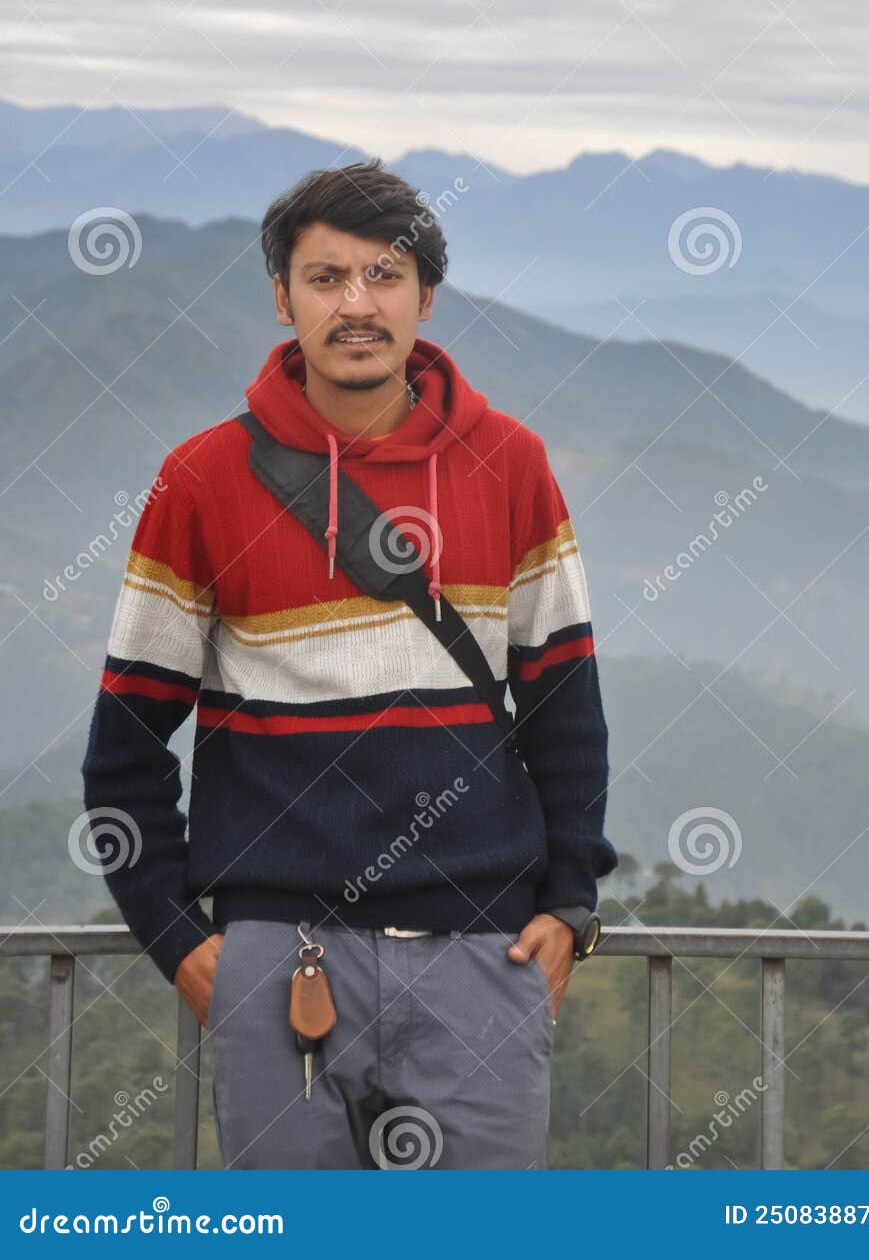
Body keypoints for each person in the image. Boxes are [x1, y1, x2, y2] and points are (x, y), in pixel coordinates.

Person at [81, 159, 618, 1169]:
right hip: (280, 961)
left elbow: (566, 709)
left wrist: (568, 906)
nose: (357, 304)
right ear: (282, 298)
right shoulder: (201, 481)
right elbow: (123, 746)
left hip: (482, 953)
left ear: (426, 295)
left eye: (384, 275)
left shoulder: (511, 464)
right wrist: (181, 940)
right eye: (326, 278)